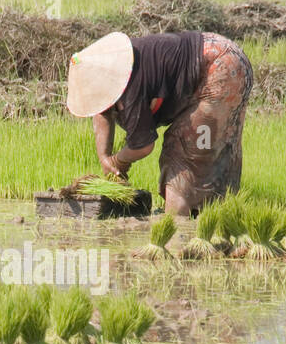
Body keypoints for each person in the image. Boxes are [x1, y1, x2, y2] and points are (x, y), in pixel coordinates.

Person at [65, 30, 253, 215]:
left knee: (183, 153)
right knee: (214, 149)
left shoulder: (130, 88)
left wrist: (117, 161)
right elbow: (101, 113)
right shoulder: (119, 68)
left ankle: (176, 225)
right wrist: (104, 157)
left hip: (217, 70)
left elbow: (143, 146)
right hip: (225, 54)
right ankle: (216, 215)